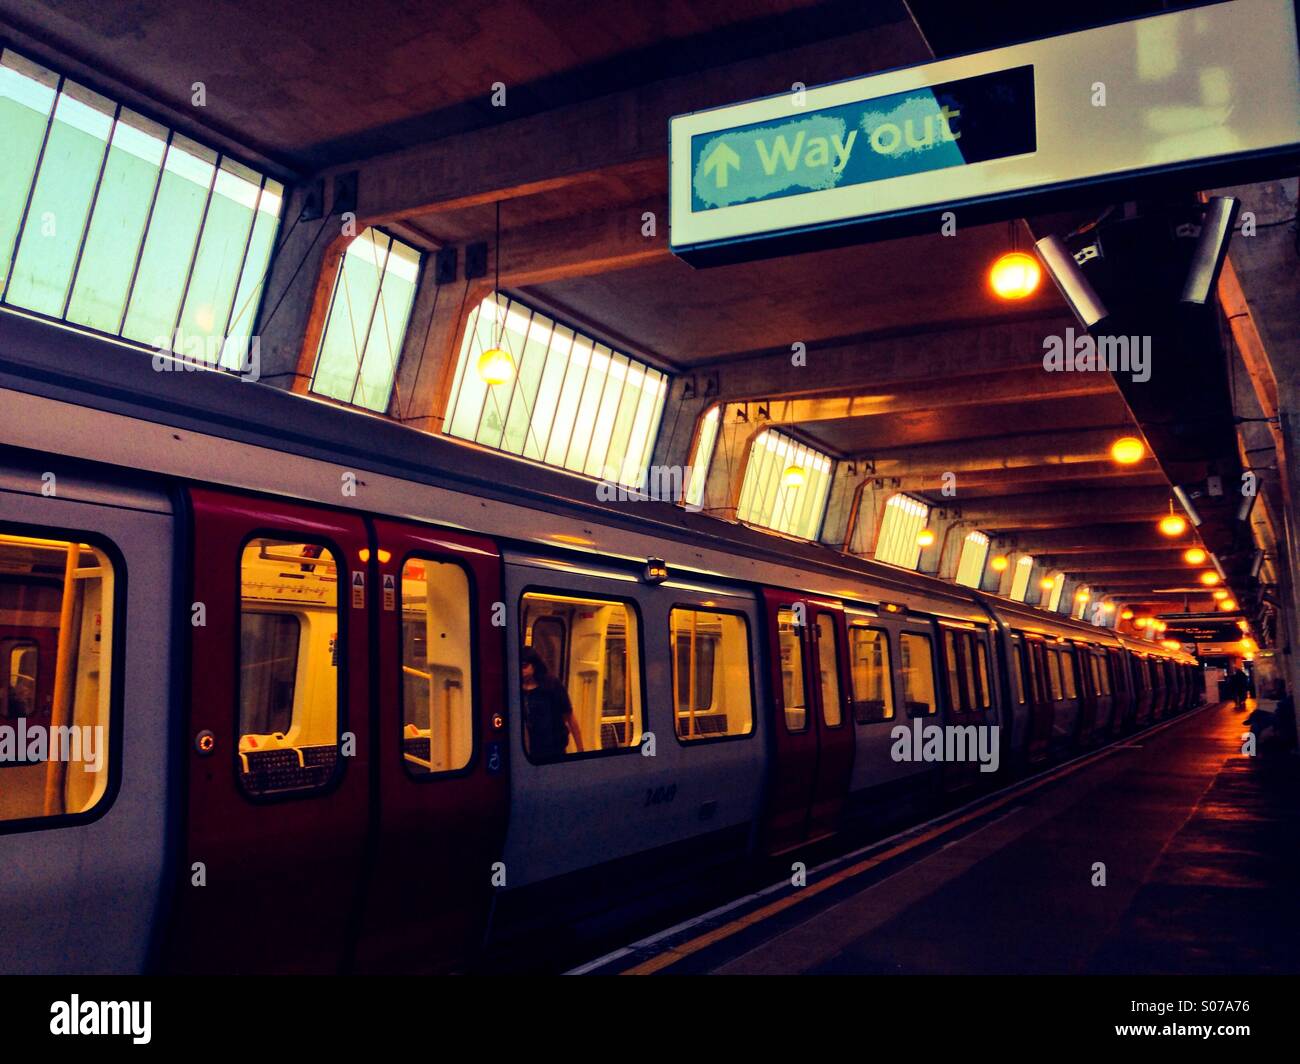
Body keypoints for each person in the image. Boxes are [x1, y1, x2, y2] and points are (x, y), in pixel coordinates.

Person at [520, 647, 583, 761]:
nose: (521, 671)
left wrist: (581, 751)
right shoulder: (517, 690)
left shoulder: (551, 685)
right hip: (532, 748)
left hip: (555, 745)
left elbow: (569, 716)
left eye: (525, 666)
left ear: (534, 665)